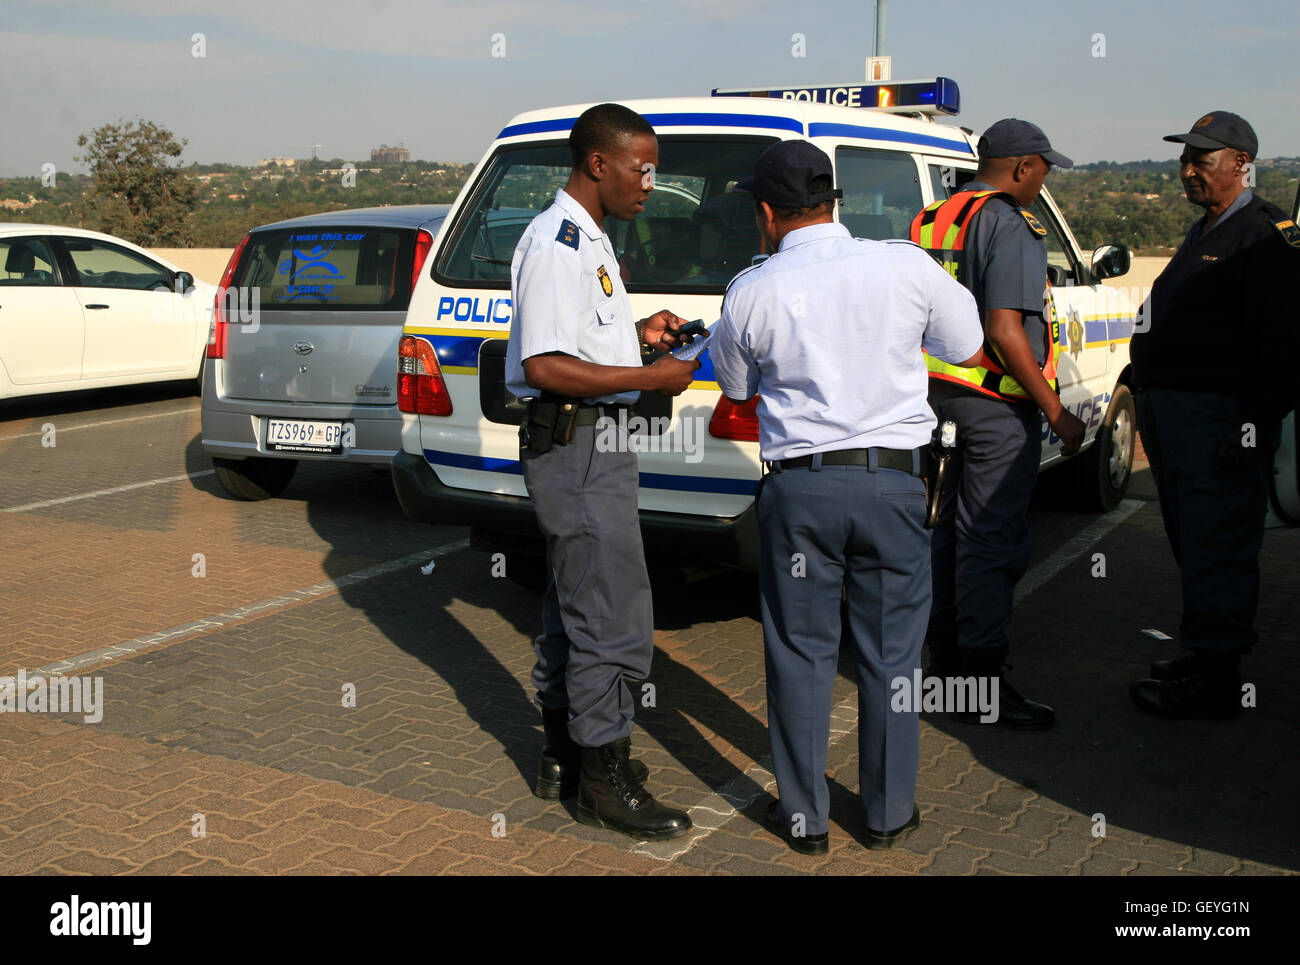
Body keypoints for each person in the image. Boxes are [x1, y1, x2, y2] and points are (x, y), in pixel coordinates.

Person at [709, 140, 984, 854]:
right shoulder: (903, 263)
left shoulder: (751, 289)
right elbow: (967, 341)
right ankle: (889, 815)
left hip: (801, 491)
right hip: (894, 483)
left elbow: (737, 388)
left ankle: (805, 821)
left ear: (768, 213)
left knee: (800, 653)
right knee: (892, 656)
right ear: (835, 201)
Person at [506, 103, 701, 839]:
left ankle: (569, 753)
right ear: (598, 163)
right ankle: (604, 779)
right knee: (613, 618)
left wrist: (640, 337)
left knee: (574, 606)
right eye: (640, 168)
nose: (650, 183)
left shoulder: (587, 240)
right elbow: (545, 363)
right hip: (581, 446)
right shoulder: (559, 243)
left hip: (592, 440)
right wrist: (651, 380)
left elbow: (582, 341)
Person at [910, 118, 1085, 730]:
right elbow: (1008, 329)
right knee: (990, 540)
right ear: (1019, 167)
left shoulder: (934, 217)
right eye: (1042, 168)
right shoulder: (1009, 222)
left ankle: (943, 671)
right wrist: (1056, 411)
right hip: (994, 402)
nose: (1043, 180)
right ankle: (980, 683)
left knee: (947, 536)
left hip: (939, 397)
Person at [1128, 111, 1300, 717]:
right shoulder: (1212, 228)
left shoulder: (1264, 233)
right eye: (1187, 159)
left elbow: (1284, 344)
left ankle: (1218, 678)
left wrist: (1252, 426)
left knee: (1219, 546)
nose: (1189, 170)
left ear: (1242, 165)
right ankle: (1205, 657)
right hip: (1177, 417)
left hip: (1219, 422)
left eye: (1204, 159)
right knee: (1195, 543)